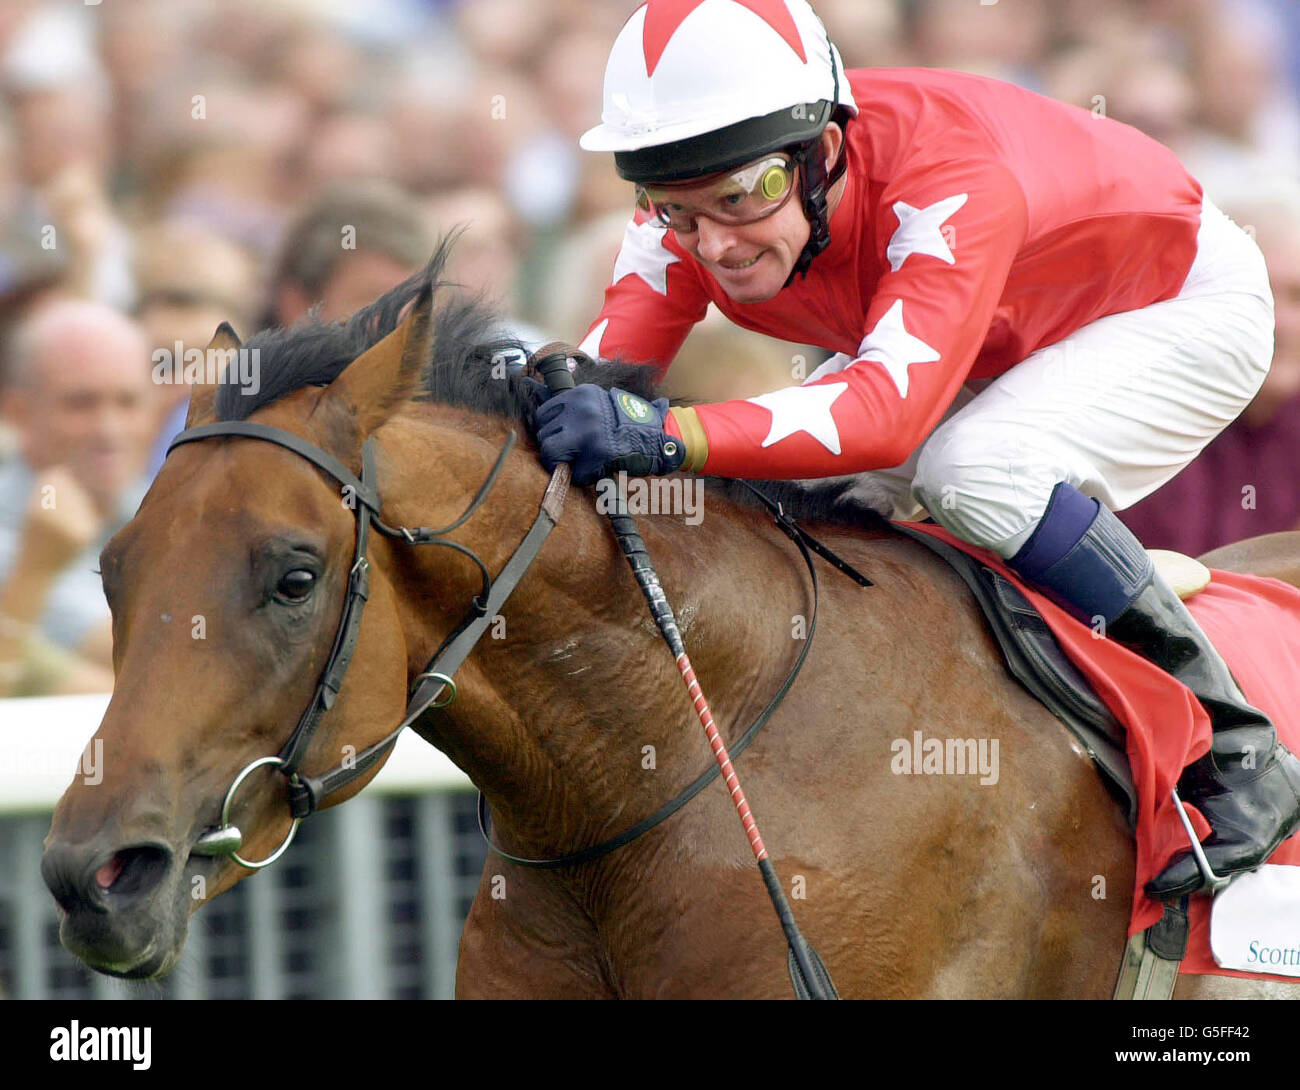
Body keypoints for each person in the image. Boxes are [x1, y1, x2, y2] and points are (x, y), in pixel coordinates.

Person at [533, 0, 1297, 899]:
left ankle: (1235, 744)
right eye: (677, 214)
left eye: (744, 200)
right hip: (1004, 326)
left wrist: (669, 436)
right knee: (818, 492)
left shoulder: (947, 177)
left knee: (973, 472)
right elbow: (602, 376)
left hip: (1170, 305)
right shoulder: (694, 199)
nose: (716, 245)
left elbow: (885, 416)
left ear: (822, 151)